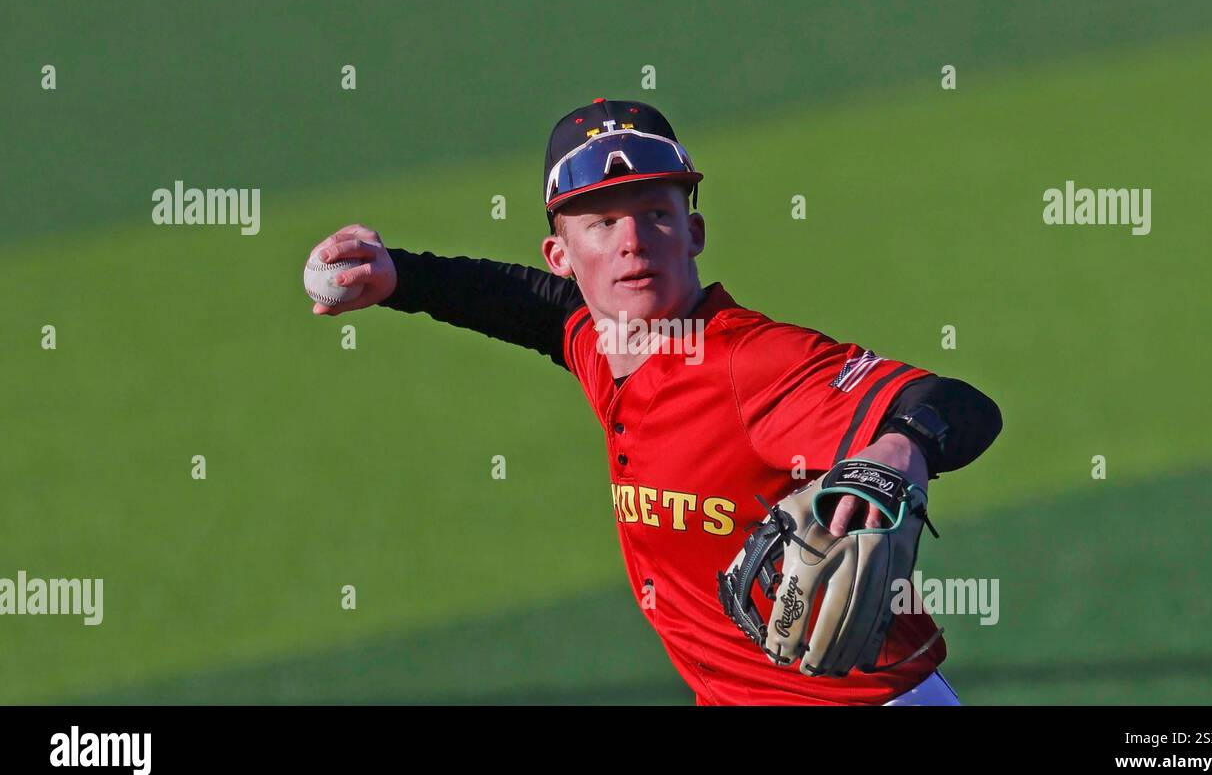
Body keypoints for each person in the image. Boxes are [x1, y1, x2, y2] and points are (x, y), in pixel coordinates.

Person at [305, 99, 1002, 705]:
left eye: (655, 214)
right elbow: (533, 308)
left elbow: (957, 403)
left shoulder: (747, 361)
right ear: (561, 254)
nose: (632, 242)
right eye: (601, 223)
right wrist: (401, 276)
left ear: (693, 233)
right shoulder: (602, 341)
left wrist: (899, 443)